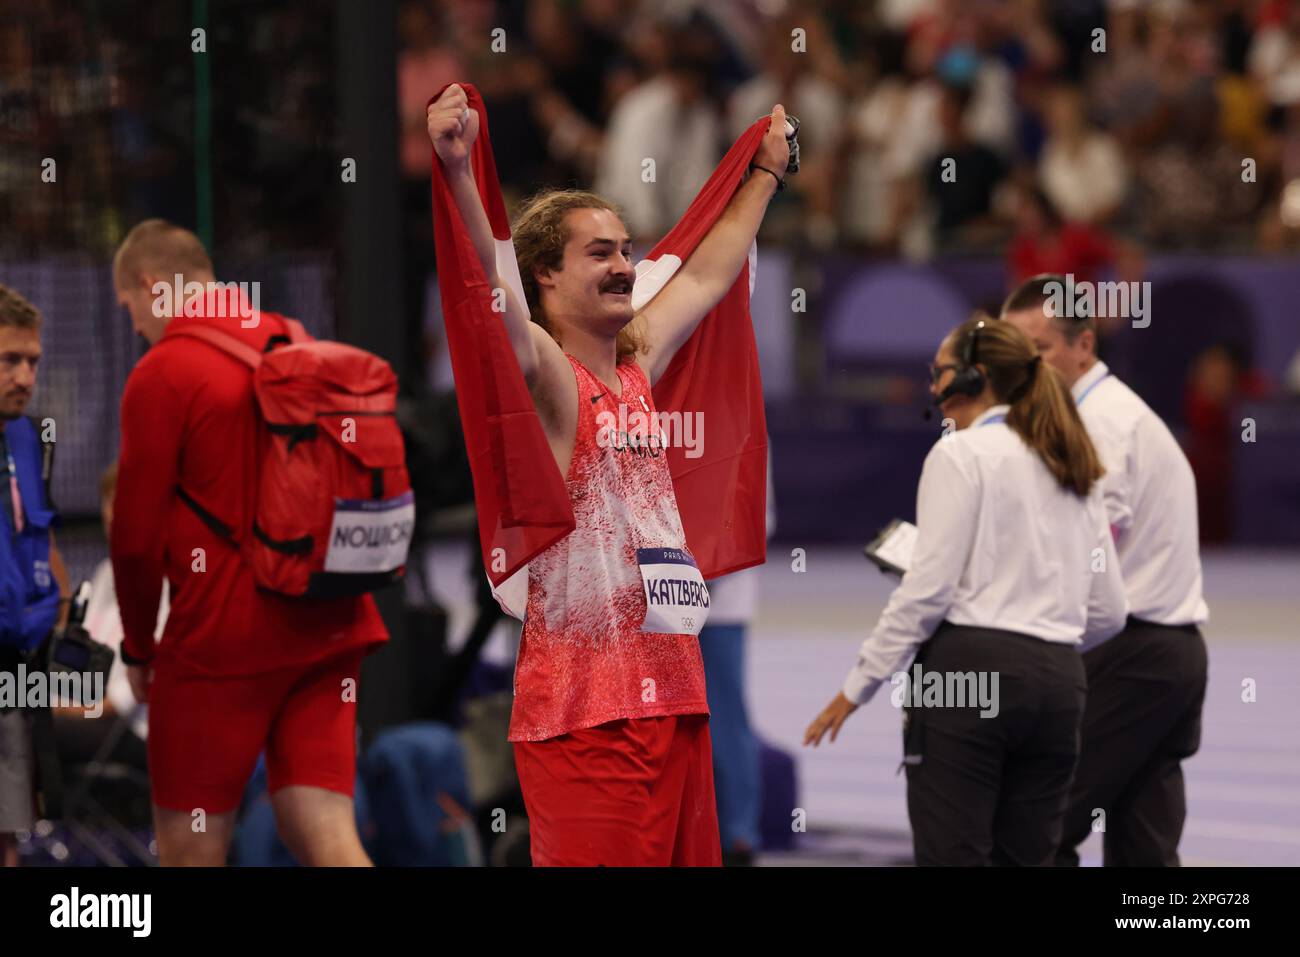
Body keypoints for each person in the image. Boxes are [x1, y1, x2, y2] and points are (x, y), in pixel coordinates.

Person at [427, 83, 788, 865]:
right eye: (602, 253)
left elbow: (707, 275)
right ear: (544, 281)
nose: (627, 266)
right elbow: (493, 312)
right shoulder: (553, 380)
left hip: (674, 702)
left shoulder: (635, 367)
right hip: (588, 715)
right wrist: (460, 172)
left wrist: (763, 173)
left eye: (626, 249)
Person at [110, 219, 387, 866]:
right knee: (324, 832)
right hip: (332, 620)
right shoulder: (297, 337)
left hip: (222, 639)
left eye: (130, 309)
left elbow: (132, 540)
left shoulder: (162, 373)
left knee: (191, 848)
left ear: (153, 286)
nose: (133, 328)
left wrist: (138, 646)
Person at [805, 316, 1128, 866]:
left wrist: (859, 685)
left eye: (941, 373)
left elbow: (927, 593)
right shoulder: (1071, 461)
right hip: (1059, 683)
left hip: (967, 675)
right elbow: (1110, 612)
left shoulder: (961, 454)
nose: (933, 388)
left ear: (976, 377)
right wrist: (1038, 652)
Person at [1002, 275, 1209, 866]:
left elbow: (1092, 542)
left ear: (1084, 345)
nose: (1026, 368)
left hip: (1133, 653)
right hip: (1169, 656)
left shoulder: (1100, 425)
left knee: (1034, 830)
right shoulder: (1099, 415)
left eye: (1039, 351)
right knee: (1145, 857)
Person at [0, 284, 69, 867]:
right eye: (9, 361)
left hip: (15, 671)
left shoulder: (30, 437)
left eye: (32, 362)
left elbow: (40, 536)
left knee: (7, 836)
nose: (24, 376)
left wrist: (61, 612)